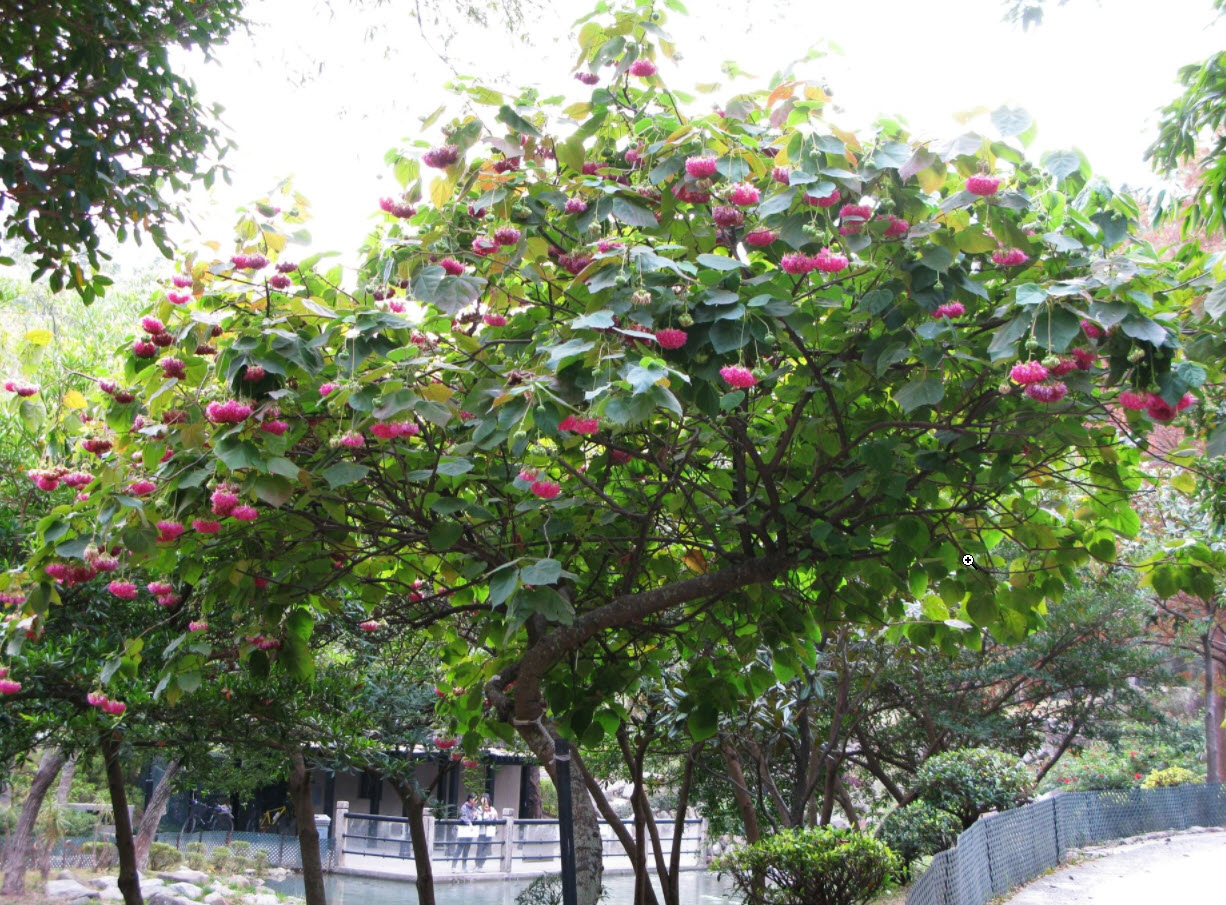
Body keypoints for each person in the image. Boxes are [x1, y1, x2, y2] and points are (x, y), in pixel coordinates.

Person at [452, 793, 478, 870]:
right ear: (470, 799)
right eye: (474, 799)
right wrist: (469, 823)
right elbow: (463, 816)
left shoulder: (474, 808)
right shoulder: (464, 807)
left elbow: (474, 819)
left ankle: (464, 866)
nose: (476, 801)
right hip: (462, 830)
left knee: (467, 849)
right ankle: (454, 866)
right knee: (459, 848)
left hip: (469, 832)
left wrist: (475, 816)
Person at [475, 794, 499, 869]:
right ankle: (477, 864)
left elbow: (496, 819)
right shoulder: (479, 809)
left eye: (485, 799)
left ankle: (481, 864)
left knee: (486, 849)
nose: (484, 801)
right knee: (480, 848)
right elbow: (478, 819)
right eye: (483, 799)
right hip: (481, 832)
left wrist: (493, 818)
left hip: (489, 832)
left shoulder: (492, 809)